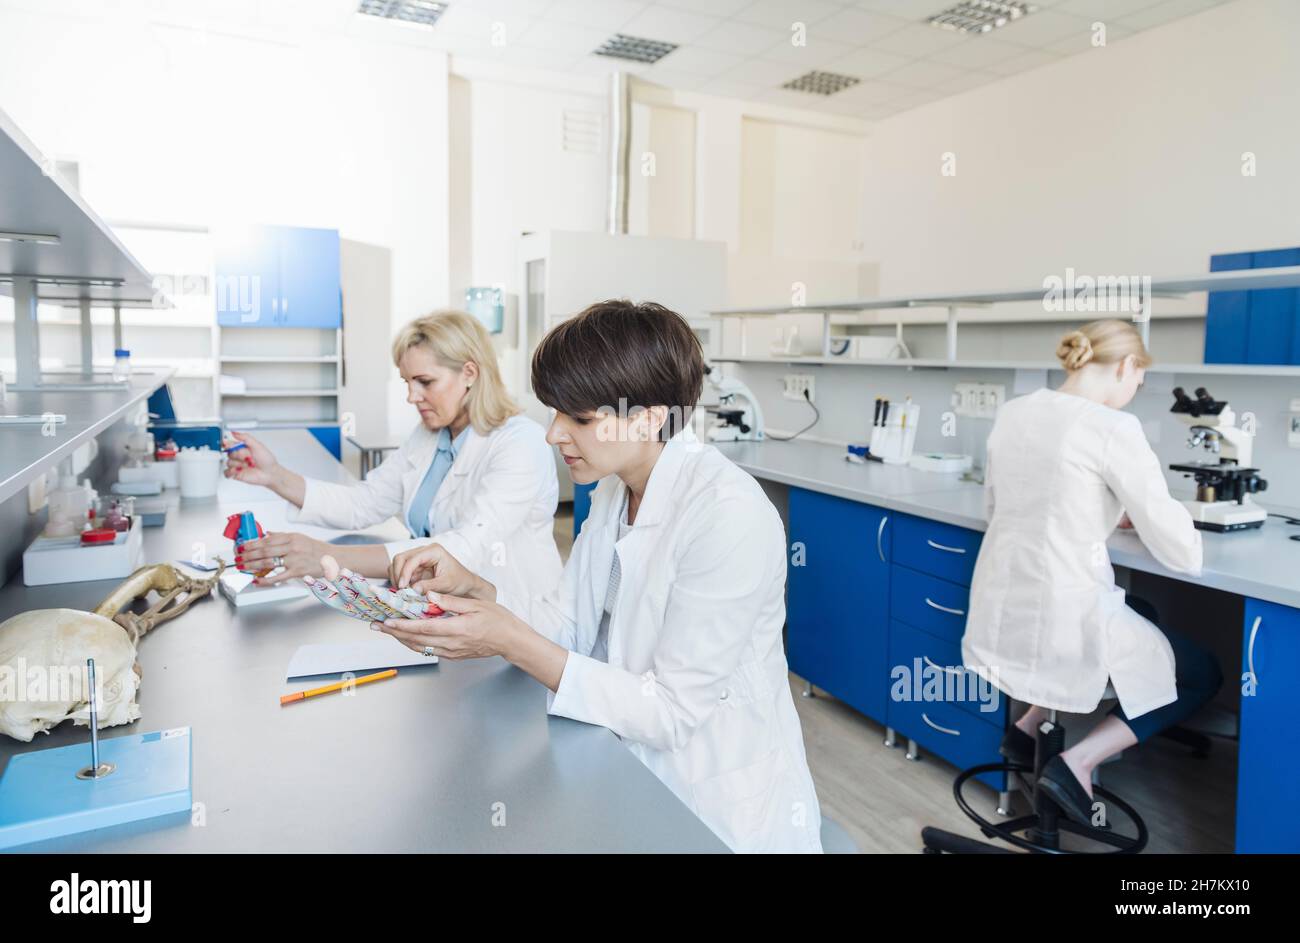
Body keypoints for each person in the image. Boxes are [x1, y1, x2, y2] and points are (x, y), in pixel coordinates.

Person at [376, 300, 823, 853]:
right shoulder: (614, 491)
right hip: (622, 767)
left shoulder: (726, 513)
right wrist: (476, 589)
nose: (553, 435)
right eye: (554, 412)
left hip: (715, 808)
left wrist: (504, 638)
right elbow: (567, 623)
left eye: (579, 419)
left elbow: (671, 712)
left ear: (650, 416)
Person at [963, 318, 1223, 824]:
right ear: (1126, 366)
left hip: (1004, 613)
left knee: (1141, 608)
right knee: (1200, 671)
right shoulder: (1113, 427)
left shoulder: (1015, 413)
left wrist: (1101, 509)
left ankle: (1027, 726)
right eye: (1138, 382)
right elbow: (1182, 552)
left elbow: (1002, 510)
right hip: (1065, 620)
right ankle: (1074, 763)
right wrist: (1155, 520)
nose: (1134, 393)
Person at [227, 310, 562, 605]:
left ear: (470, 374)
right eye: (407, 382)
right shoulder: (431, 435)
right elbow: (364, 502)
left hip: (516, 613)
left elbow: (463, 548)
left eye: (424, 382)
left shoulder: (521, 443)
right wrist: (274, 476)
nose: (411, 396)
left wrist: (326, 557)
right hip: (445, 609)